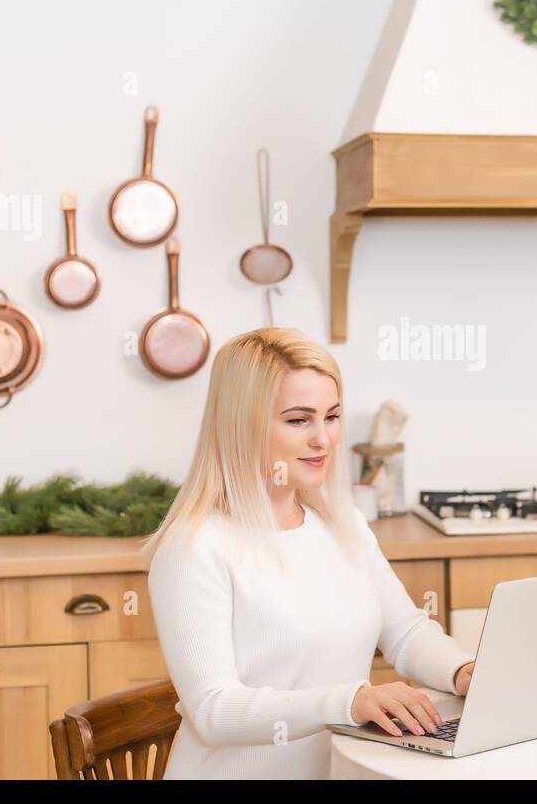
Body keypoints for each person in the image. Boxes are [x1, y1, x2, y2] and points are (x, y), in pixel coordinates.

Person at [145, 327, 476, 779]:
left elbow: (404, 632)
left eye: (332, 416)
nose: (324, 439)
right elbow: (214, 710)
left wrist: (463, 670)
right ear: (240, 424)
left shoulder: (342, 524)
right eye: (299, 420)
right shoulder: (194, 548)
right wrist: (351, 701)